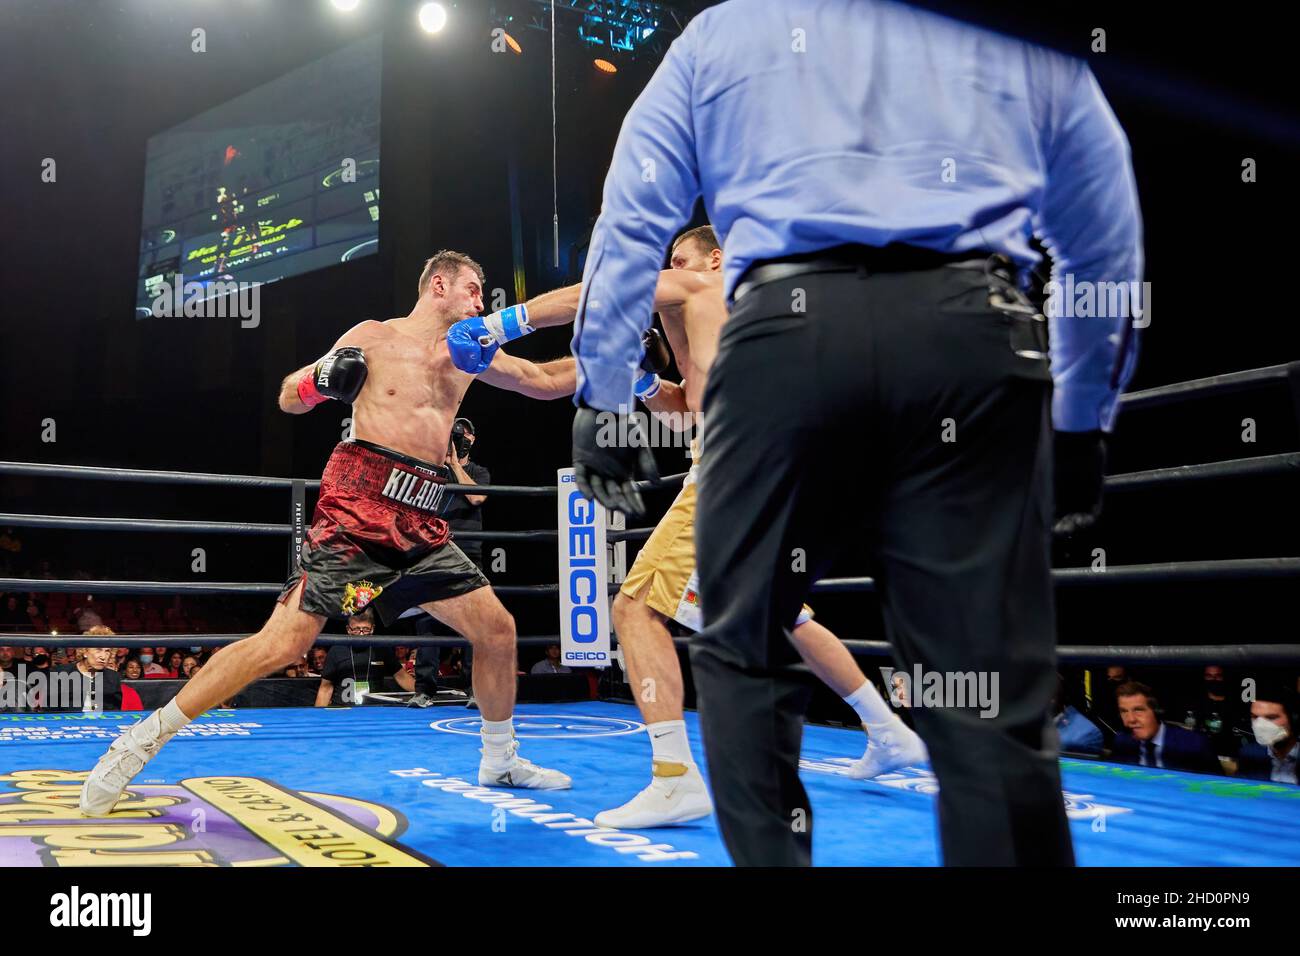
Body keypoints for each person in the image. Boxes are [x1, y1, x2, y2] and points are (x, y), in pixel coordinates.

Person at [557, 0, 1143, 865]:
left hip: (785, 348)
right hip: (971, 339)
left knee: (746, 648)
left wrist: (603, 393)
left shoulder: (725, 30)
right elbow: (1104, 236)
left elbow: (633, 216)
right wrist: (1084, 418)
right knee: (983, 687)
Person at [452, 226, 927, 829]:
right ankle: (886, 729)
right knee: (785, 614)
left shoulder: (707, 283)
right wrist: (649, 384)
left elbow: (603, 291)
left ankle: (675, 780)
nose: (670, 272)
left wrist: (499, 324)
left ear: (714, 257)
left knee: (634, 608)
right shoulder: (729, 321)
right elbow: (686, 416)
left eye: (678, 260)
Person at [79, 250, 580, 815]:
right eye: (472, 290)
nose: (481, 304)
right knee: (284, 643)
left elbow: (541, 381)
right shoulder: (375, 336)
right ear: (438, 284)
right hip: (355, 515)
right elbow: (290, 396)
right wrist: (322, 380)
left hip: (418, 522)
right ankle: (140, 742)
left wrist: (612, 364)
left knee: (497, 630)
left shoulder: (471, 352)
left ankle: (500, 759)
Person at [1111, 682, 1221, 775]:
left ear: (1157, 711)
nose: (1130, 719)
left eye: (1138, 710)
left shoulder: (1195, 744)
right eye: (1124, 711)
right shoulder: (1122, 741)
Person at [314, 610, 414, 706]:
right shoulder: (336, 650)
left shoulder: (381, 647)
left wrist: (424, 692)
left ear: (372, 629)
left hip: (374, 708)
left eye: (366, 629)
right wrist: (317, 717)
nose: (361, 634)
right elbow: (326, 687)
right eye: (357, 629)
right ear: (349, 630)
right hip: (343, 708)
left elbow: (402, 676)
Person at [1235, 688, 1299, 784]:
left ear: (1294, 720)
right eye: (1255, 717)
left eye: (1271, 717)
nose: (1260, 725)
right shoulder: (1249, 754)